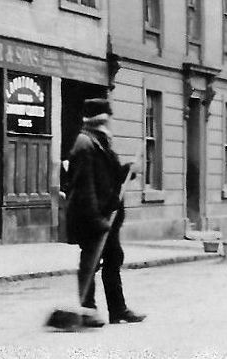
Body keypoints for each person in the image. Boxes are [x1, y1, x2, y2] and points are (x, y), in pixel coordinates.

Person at [66, 98, 145, 326]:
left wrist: (128, 170)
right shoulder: (85, 143)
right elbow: (85, 187)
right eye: (108, 118)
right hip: (92, 216)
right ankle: (87, 311)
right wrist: (96, 221)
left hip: (107, 215)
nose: (111, 122)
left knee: (113, 258)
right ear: (101, 120)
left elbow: (110, 177)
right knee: (90, 263)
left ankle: (117, 310)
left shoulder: (100, 142)